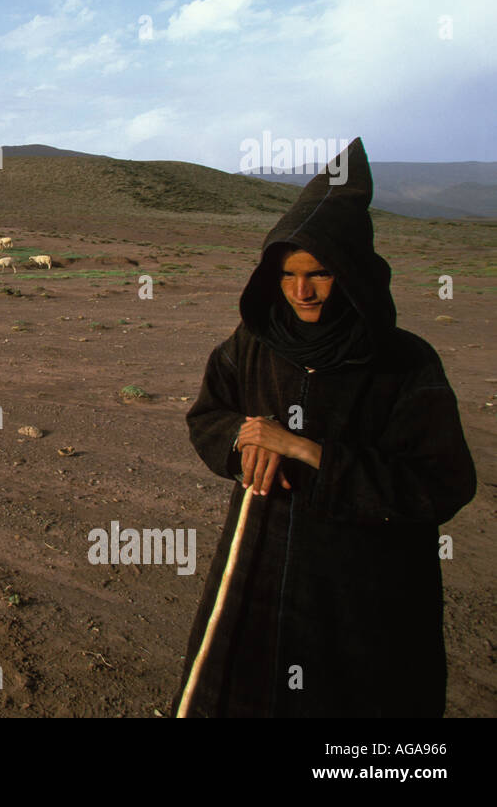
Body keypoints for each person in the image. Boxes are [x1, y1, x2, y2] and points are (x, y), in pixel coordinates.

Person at [174, 137, 476, 717]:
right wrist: (241, 435)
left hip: (362, 588)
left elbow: (443, 483)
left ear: (354, 274)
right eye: (287, 275)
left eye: (319, 275)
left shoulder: (405, 364)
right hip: (256, 565)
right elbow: (208, 417)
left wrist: (313, 454)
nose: (301, 292)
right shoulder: (254, 344)